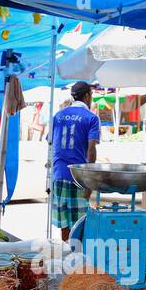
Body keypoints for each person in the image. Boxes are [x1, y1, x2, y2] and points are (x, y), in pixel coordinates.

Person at [49, 81, 100, 241]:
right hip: (78, 177)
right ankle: (78, 260)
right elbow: (91, 150)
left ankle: (65, 257)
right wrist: (89, 181)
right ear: (87, 96)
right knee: (80, 223)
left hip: (58, 174)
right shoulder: (91, 118)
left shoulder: (57, 116)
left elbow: (50, 142)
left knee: (64, 223)